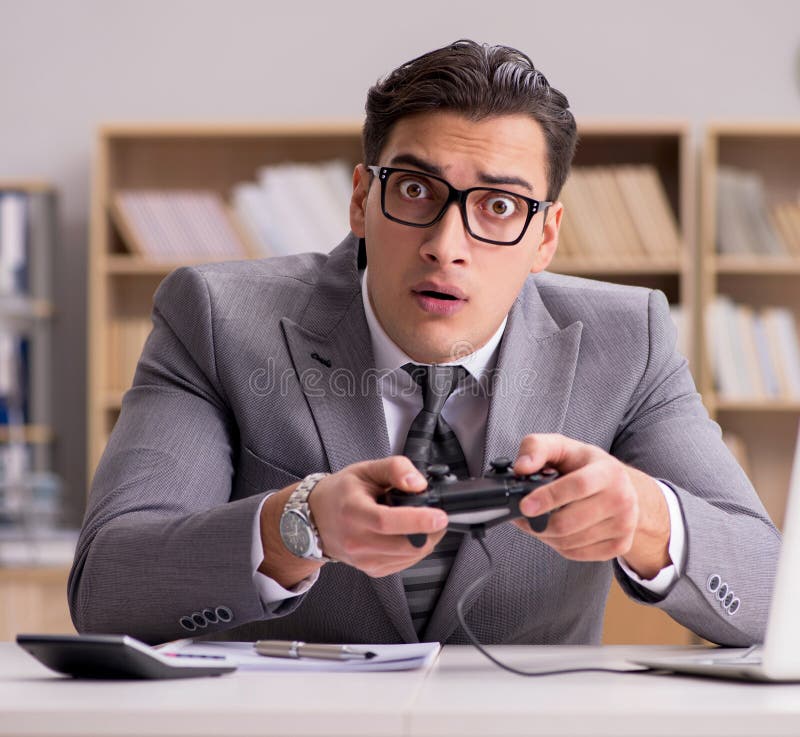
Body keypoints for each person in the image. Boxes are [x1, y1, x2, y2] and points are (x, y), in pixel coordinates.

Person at [69, 40, 779, 648]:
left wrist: (648, 519)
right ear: (361, 200)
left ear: (546, 236)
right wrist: (296, 526)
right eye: (414, 190)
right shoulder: (217, 318)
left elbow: (776, 598)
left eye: (498, 206)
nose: (446, 246)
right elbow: (107, 588)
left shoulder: (629, 340)